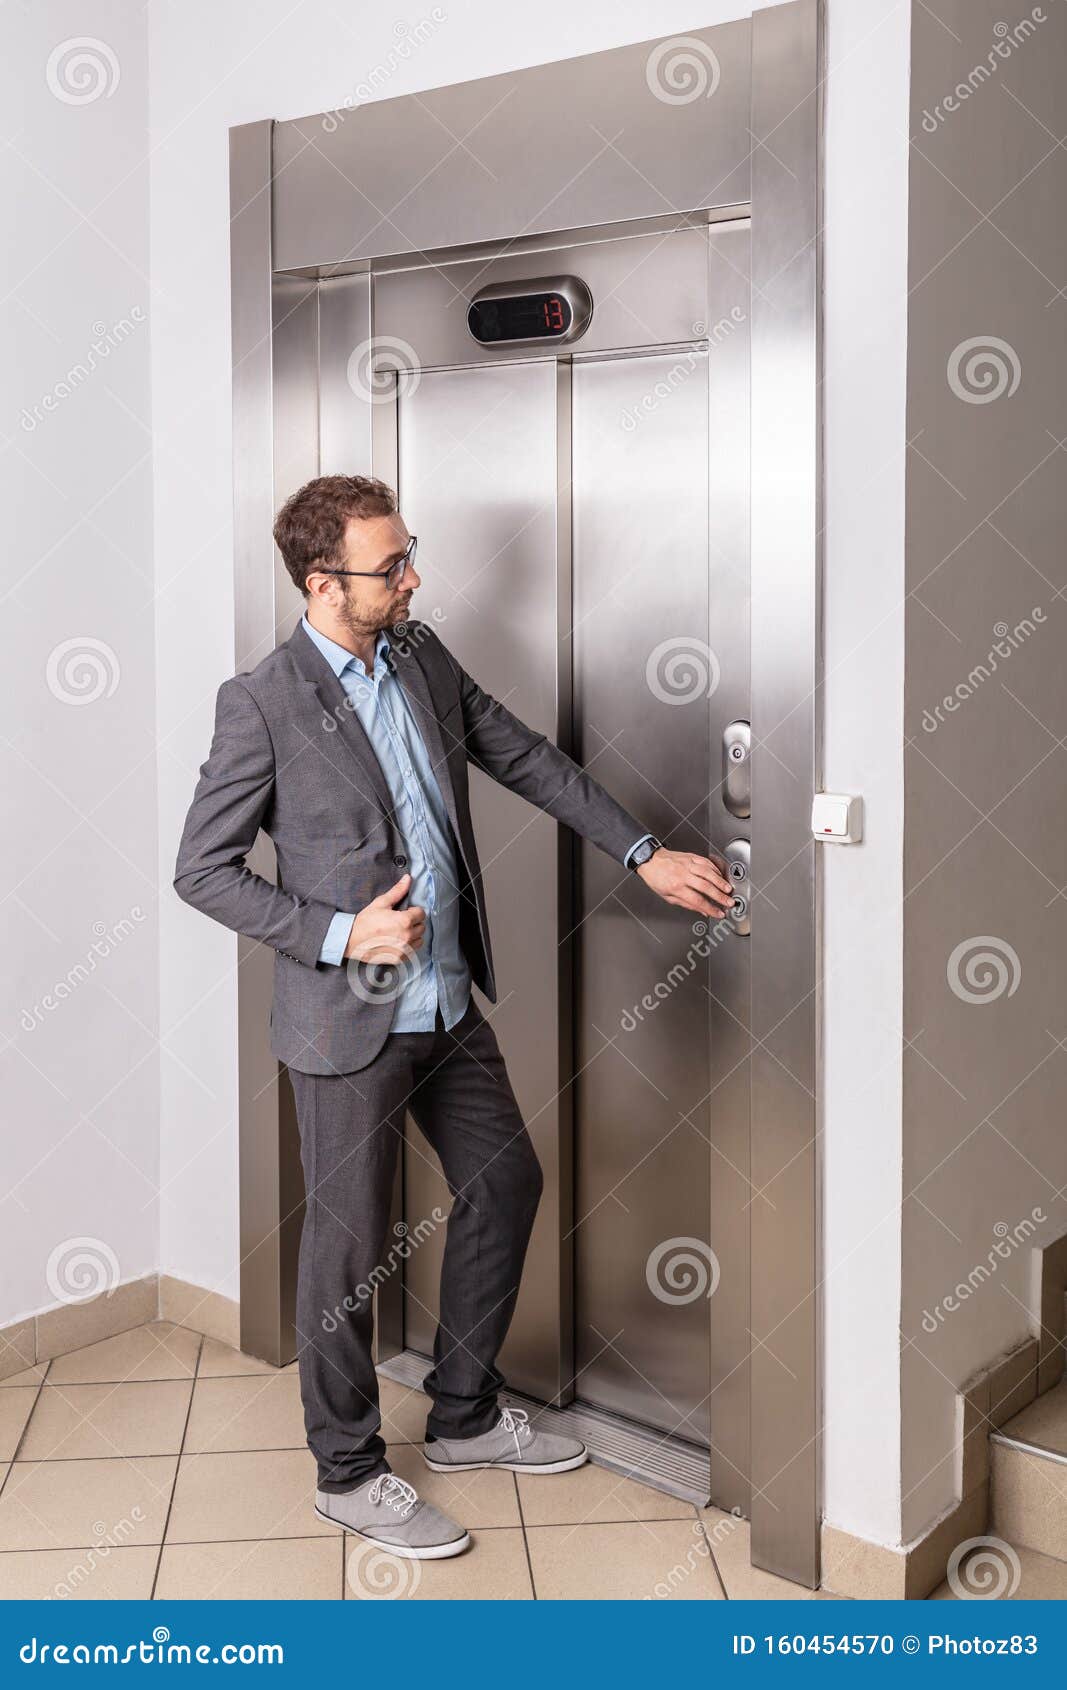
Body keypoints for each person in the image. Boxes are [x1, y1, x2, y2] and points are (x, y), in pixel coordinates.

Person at [175, 474, 734, 1559]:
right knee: (346, 1248)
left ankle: (465, 1414)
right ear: (323, 583)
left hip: (443, 994)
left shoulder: (421, 655)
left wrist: (640, 853)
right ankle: (347, 1470)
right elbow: (202, 869)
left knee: (505, 1182)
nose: (413, 578)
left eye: (409, 552)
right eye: (390, 565)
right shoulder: (263, 701)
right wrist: (339, 933)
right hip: (346, 1016)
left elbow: (523, 756)